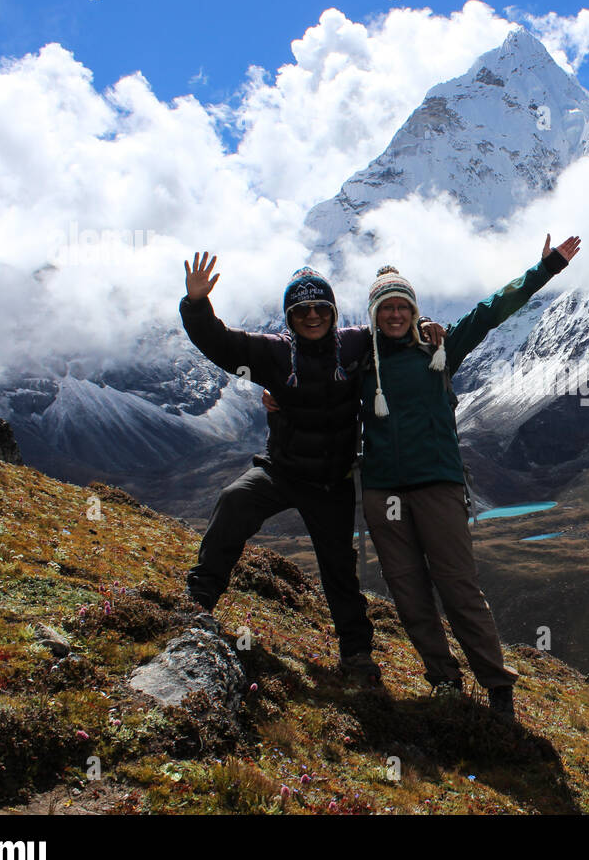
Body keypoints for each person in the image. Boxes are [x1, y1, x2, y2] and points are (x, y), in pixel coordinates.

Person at [269, 234, 581, 720]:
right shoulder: (360, 362)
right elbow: (312, 382)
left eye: (402, 306)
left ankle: (497, 686)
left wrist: (545, 269)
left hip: (436, 484)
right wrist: (276, 398)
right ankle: (444, 681)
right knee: (408, 592)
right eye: (385, 308)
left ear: (414, 311)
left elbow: (491, 310)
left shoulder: (440, 349)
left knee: (458, 587)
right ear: (373, 315)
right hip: (383, 491)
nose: (394, 314)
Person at [177, 251, 444, 683]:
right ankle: (197, 599)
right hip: (281, 471)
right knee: (234, 502)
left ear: (334, 312)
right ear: (290, 316)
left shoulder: (357, 343)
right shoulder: (273, 353)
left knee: (339, 568)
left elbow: (393, 323)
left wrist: (426, 323)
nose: (313, 316)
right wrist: (196, 305)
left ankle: (356, 654)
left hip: (331, 483)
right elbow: (221, 343)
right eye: (302, 310)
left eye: (321, 308)